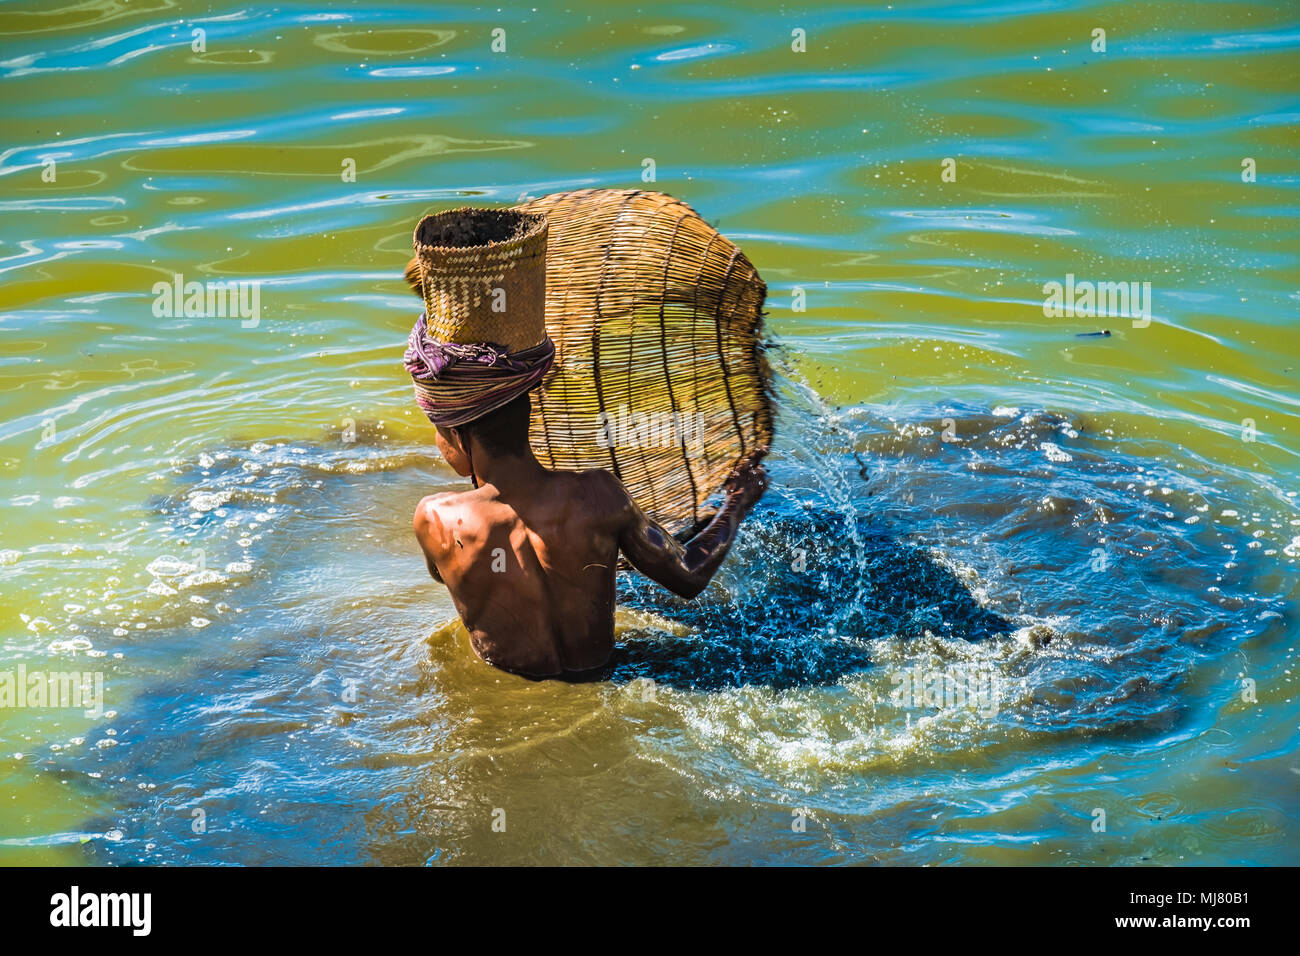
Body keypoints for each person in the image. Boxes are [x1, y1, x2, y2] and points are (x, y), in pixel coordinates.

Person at [402, 205, 767, 679]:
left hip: (512, 711)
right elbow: (689, 575)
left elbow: (468, 573)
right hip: (604, 680)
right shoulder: (598, 496)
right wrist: (737, 502)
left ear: (457, 430)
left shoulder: (436, 519)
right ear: (529, 410)